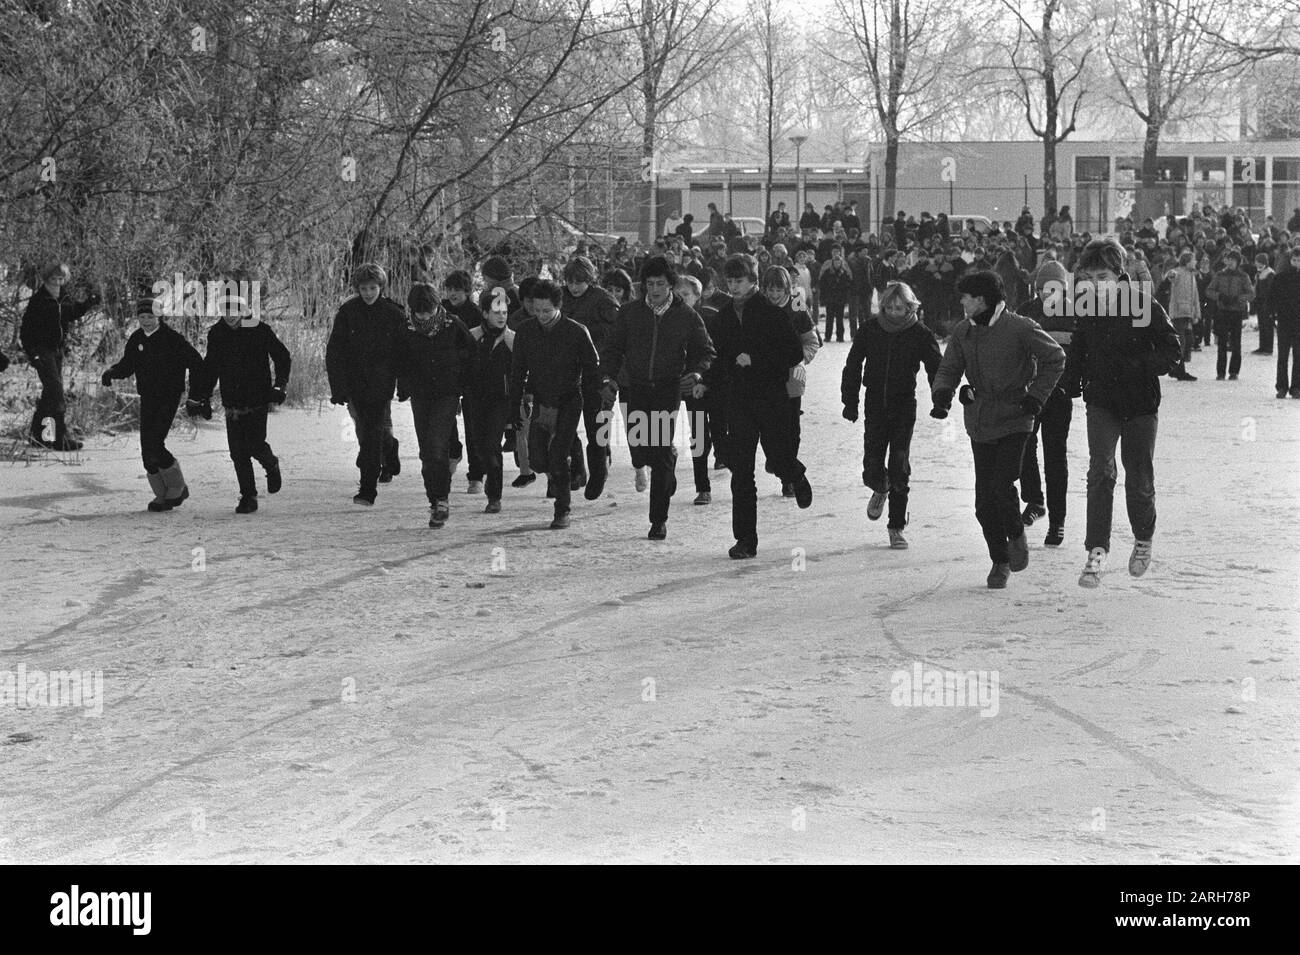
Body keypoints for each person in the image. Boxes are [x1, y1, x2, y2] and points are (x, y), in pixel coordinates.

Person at [929, 270, 1065, 589]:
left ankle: (1015, 532)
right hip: (980, 421)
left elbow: (1055, 358)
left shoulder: (1020, 327)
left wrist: (1036, 396)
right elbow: (949, 368)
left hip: (1016, 417)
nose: (961, 301)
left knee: (1001, 484)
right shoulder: (964, 331)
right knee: (982, 503)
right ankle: (999, 560)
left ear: (982, 300)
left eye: (966, 297)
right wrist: (944, 394)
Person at [1059, 238, 1181, 588]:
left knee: (1138, 473)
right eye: (1090, 277)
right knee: (1101, 470)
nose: (1097, 284)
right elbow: (1079, 349)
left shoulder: (1143, 304)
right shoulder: (1086, 308)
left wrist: (1138, 365)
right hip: (1102, 400)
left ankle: (1143, 536)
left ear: (1118, 274)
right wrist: (1071, 380)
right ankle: (1096, 549)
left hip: (1140, 402)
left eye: (1103, 277)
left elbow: (1172, 349)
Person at [703, 253, 813, 559]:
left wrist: (756, 358)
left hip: (771, 398)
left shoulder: (772, 313)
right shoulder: (723, 316)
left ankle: (795, 474)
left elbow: (793, 353)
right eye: (730, 281)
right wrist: (706, 381)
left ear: (753, 280)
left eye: (739, 280)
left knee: (778, 457)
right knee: (742, 472)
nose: (734, 286)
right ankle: (746, 539)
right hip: (738, 402)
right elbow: (720, 357)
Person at [597, 256, 713, 540]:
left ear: (670, 285)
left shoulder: (685, 315)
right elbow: (612, 349)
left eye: (660, 283)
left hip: (666, 388)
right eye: (650, 283)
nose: (655, 289)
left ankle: (658, 520)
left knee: (659, 450)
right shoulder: (630, 313)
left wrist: (696, 373)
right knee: (640, 449)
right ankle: (667, 461)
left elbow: (705, 351)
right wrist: (607, 377)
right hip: (634, 387)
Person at [841, 281, 941, 549]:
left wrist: (940, 399)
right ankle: (879, 486)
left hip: (903, 406)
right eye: (890, 307)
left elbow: (937, 369)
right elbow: (852, 365)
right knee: (872, 466)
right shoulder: (871, 329)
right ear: (883, 306)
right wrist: (849, 401)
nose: (895, 313)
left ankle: (896, 526)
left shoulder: (919, 333)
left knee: (899, 466)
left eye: (901, 308)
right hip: (874, 404)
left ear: (910, 307)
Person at [187, 279, 291, 515]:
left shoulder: (259, 329)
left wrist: (280, 385)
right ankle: (248, 496)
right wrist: (201, 397)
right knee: (237, 452)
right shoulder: (217, 333)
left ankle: (271, 463)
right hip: (232, 400)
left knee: (254, 444)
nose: (230, 315)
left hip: (257, 398)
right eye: (225, 309)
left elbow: (282, 357)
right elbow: (210, 368)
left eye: (235, 309)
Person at [508, 279, 601, 530]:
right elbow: (517, 371)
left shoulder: (576, 331)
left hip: (570, 399)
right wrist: (513, 404)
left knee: (558, 456)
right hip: (541, 401)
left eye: (547, 311)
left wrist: (597, 407)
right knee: (538, 460)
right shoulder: (526, 332)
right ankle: (572, 460)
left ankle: (562, 510)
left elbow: (593, 371)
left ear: (558, 307)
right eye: (536, 310)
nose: (541, 316)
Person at [101, 297, 205, 511]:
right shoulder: (137, 338)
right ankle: (163, 494)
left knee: (155, 443)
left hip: (169, 396)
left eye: (150, 316)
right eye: (142, 317)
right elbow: (128, 364)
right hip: (148, 396)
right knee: (147, 450)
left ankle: (178, 487)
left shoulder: (172, 339)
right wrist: (113, 372)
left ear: (159, 316)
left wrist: (196, 395)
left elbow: (196, 363)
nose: (146, 321)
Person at [395, 283, 475, 528]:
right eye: (419, 313)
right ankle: (434, 499)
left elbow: (472, 355)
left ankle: (441, 500)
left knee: (434, 446)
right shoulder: (405, 329)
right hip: (420, 395)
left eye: (428, 312)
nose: (424, 317)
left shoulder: (453, 325)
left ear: (436, 307)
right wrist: (404, 385)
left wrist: (463, 385)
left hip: (447, 393)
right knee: (426, 451)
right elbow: (398, 359)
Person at [326, 263, 406, 506]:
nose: (368, 293)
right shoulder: (348, 312)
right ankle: (390, 448)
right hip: (354, 383)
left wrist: (404, 384)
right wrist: (337, 387)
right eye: (364, 288)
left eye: (373, 288)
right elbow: (334, 352)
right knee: (367, 431)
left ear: (381, 287)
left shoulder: (394, 313)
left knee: (370, 433)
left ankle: (367, 490)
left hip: (382, 383)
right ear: (357, 289)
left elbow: (404, 352)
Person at [1014, 261, 1076, 546]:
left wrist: (1075, 383)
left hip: (1059, 395)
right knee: (1024, 447)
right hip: (1030, 392)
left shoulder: (1075, 313)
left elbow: (1079, 354)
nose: (1045, 294)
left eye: (1051, 288)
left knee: (1055, 457)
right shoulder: (1026, 311)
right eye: (1040, 289)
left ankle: (1058, 521)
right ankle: (1035, 499)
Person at [19, 259, 100, 451]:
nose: (57, 282)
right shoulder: (38, 300)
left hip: (56, 351)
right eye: (54, 278)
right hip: (41, 351)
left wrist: (90, 302)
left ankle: (38, 436)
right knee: (56, 395)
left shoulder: (63, 297)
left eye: (61, 278)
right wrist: (33, 353)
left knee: (50, 394)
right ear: (46, 279)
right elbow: (26, 331)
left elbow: (71, 313)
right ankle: (59, 438)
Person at [561, 256, 619, 499]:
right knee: (566, 424)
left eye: (579, 282)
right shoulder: (561, 297)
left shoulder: (603, 300)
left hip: (598, 371)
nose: (574, 287)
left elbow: (616, 337)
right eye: (570, 282)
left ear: (589, 279)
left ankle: (599, 470)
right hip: (569, 371)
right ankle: (577, 468)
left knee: (597, 426)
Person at [761, 266, 820, 497]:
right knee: (768, 428)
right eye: (770, 290)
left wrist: (799, 360)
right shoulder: (759, 306)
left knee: (790, 430)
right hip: (764, 379)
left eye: (779, 290)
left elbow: (811, 341)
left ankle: (788, 477)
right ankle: (777, 461)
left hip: (792, 378)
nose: (774, 295)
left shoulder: (796, 304)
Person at [464, 289, 516, 511]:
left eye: (504, 312)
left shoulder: (512, 339)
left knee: (492, 444)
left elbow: (522, 370)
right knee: (479, 445)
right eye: (496, 312)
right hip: (474, 399)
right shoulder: (471, 336)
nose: (501, 316)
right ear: (484, 313)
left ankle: (494, 496)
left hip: (501, 401)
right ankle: (487, 484)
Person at [674, 275, 724, 503]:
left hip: (710, 383)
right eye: (678, 294)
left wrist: (703, 376)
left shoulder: (712, 317)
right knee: (695, 435)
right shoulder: (669, 319)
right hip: (682, 384)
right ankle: (702, 487)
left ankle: (720, 459)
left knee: (711, 433)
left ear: (697, 296)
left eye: (686, 295)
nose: (681, 299)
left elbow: (717, 352)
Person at [1205, 249, 1254, 380]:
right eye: (1229, 259)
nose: (1231, 262)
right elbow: (1209, 291)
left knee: (1236, 343)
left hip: (1236, 312)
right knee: (1221, 343)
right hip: (1222, 311)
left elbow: (1251, 294)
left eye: (1233, 260)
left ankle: (1234, 371)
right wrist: (1220, 296)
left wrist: (1239, 298)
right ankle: (1220, 372)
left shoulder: (1243, 276)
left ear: (1238, 262)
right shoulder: (1219, 275)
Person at [1163, 251, 1201, 381]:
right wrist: (1171, 274)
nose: (1195, 262)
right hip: (1179, 312)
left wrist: (1197, 312)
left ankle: (1176, 369)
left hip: (1187, 313)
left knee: (1188, 341)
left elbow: (1195, 295)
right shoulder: (1178, 272)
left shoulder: (1192, 275)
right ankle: (1179, 370)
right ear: (1187, 261)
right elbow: (1171, 276)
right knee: (1182, 342)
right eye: (1193, 260)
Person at [1273, 248, 1300, 398]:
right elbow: (1273, 297)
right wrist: (1274, 314)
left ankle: (1296, 386)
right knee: (1282, 356)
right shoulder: (1280, 278)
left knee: (1298, 356)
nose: (1297, 263)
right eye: (1294, 260)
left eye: (1299, 260)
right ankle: (1282, 386)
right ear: (1290, 260)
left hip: (1298, 323)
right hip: (1284, 321)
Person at [819, 244, 854, 342]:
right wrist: (823, 297)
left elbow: (848, 284)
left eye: (839, 262)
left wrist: (846, 297)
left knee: (839, 319)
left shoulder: (844, 273)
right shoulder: (827, 272)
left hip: (840, 299)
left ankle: (840, 336)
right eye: (836, 262)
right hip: (830, 298)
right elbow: (823, 285)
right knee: (829, 319)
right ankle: (828, 336)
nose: (837, 264)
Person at [1251, 252, 1276, 355]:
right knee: (1262, 325)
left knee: (1268, 325)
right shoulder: (1259, 273)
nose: (1256, 263)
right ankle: (1262, 346)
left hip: (1267, 303)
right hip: (1260, 303)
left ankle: (1268, 348)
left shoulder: (1269, 273)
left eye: (1257, 261)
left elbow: (1271, 290)